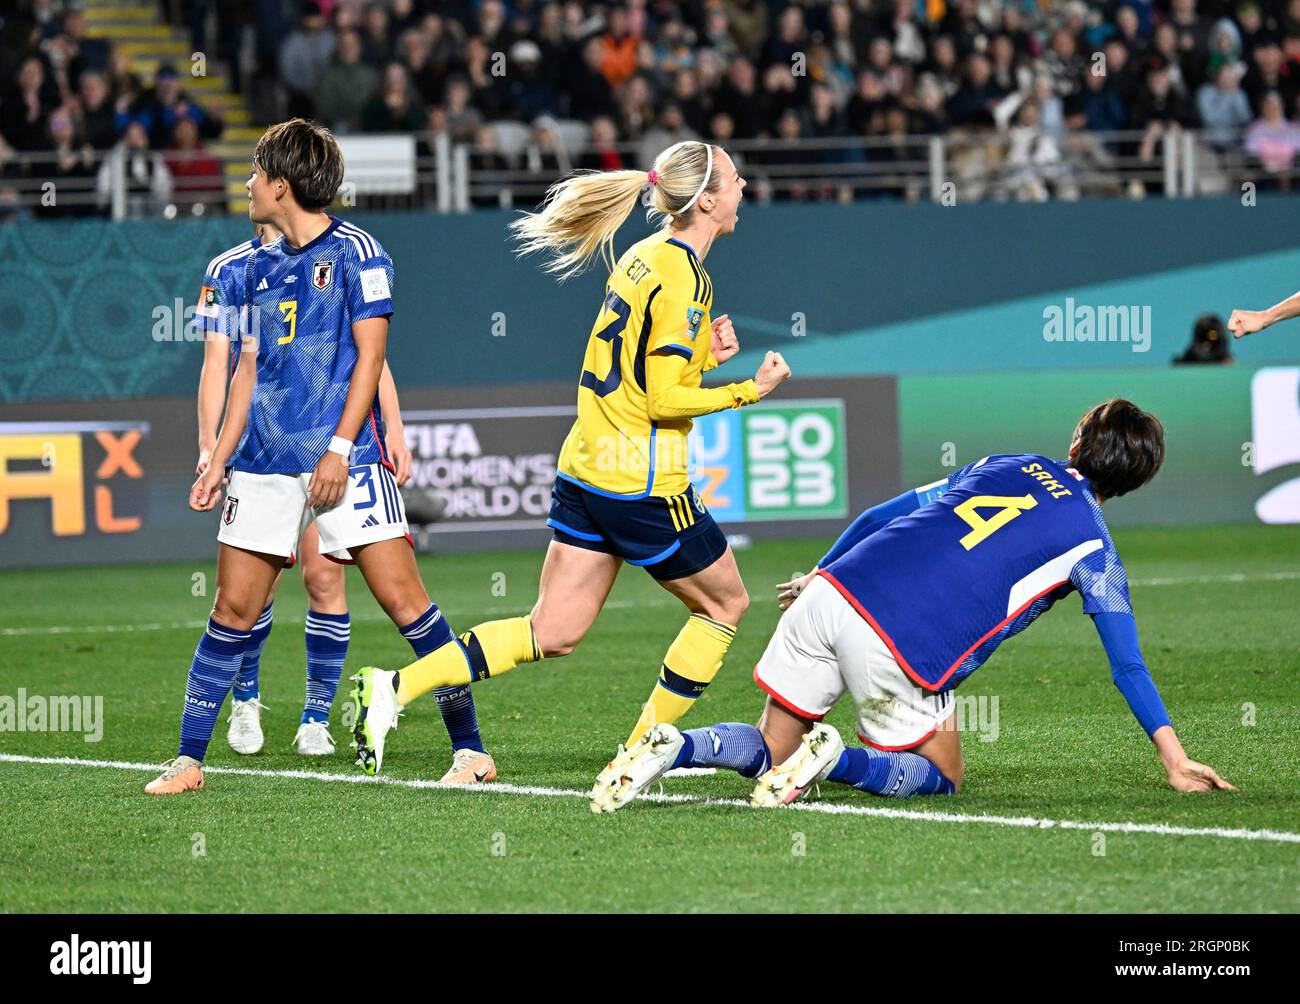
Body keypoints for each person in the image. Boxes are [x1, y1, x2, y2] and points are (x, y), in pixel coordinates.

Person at [349, 141, 791, 782]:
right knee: (726, 606)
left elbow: (639, 374)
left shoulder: (643, 257)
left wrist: (705, 360)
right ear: (707, 200)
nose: (744, 184)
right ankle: (643, 750)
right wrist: (750, 388)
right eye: (733, 176)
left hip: (586, 469)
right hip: (641, 481)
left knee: (551, 630)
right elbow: (664, 397)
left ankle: (392, 688)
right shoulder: (686, 276)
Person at [589, 400, 1236, 812]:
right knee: (944, 775)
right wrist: (1172, 756)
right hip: (897, 637)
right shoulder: (1095, 550)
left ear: (1080, 441)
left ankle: (674, 747)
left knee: (769, 747)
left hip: (833, 593)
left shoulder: (1007, 462)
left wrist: (818, 574)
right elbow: (1127, 665)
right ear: (1135, 478)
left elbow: (878, 514)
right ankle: (834, 759)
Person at [145, 118, 493, 794]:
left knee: (406, 604)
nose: (245, 183)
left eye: (253, 172)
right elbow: (247, 369)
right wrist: (217, 457)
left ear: (281, 185)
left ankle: (472, 750)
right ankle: (189, 761)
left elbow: (372, 358)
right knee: (231, 611)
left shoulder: (360, 251)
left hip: (348, 461)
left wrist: (341, 448)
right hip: (263, 463)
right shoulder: (248, 268)